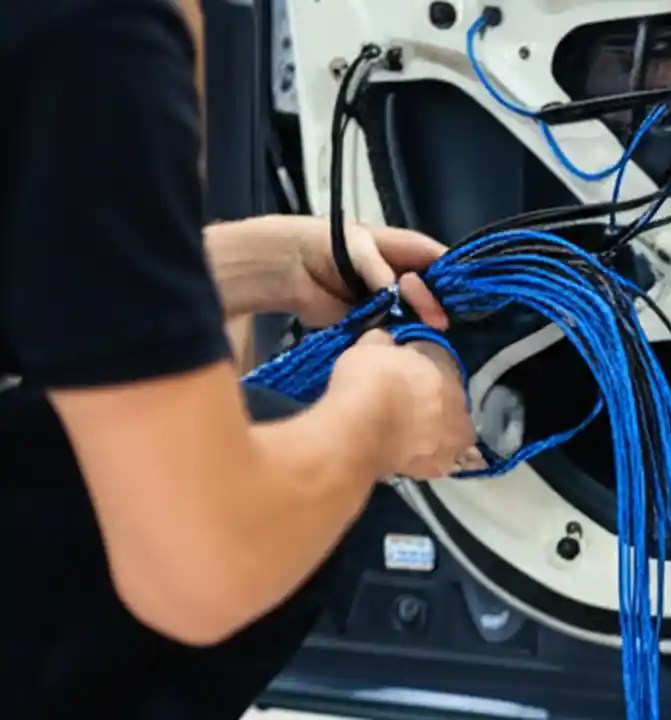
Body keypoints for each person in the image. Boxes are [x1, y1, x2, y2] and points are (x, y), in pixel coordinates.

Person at [0, 1, 477, 717]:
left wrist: (245, 264)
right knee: (270, 469)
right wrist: (381, 421)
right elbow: (205, 562)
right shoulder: (94, 27)